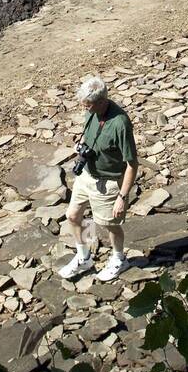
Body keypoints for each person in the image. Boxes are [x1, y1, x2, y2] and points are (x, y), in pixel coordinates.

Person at [58, 76, 138, 283]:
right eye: (84, 105)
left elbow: (132, 164)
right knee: (74, 216)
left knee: (110, 225)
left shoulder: (120, 123)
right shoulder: (91, 113)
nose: (86, 109)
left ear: (102, 101)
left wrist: (122, 196)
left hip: (108, 182)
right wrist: (81, 145)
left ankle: (120, 259)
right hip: (87, 175)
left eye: (89, 105)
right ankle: (84, 257)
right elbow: (88, 135)